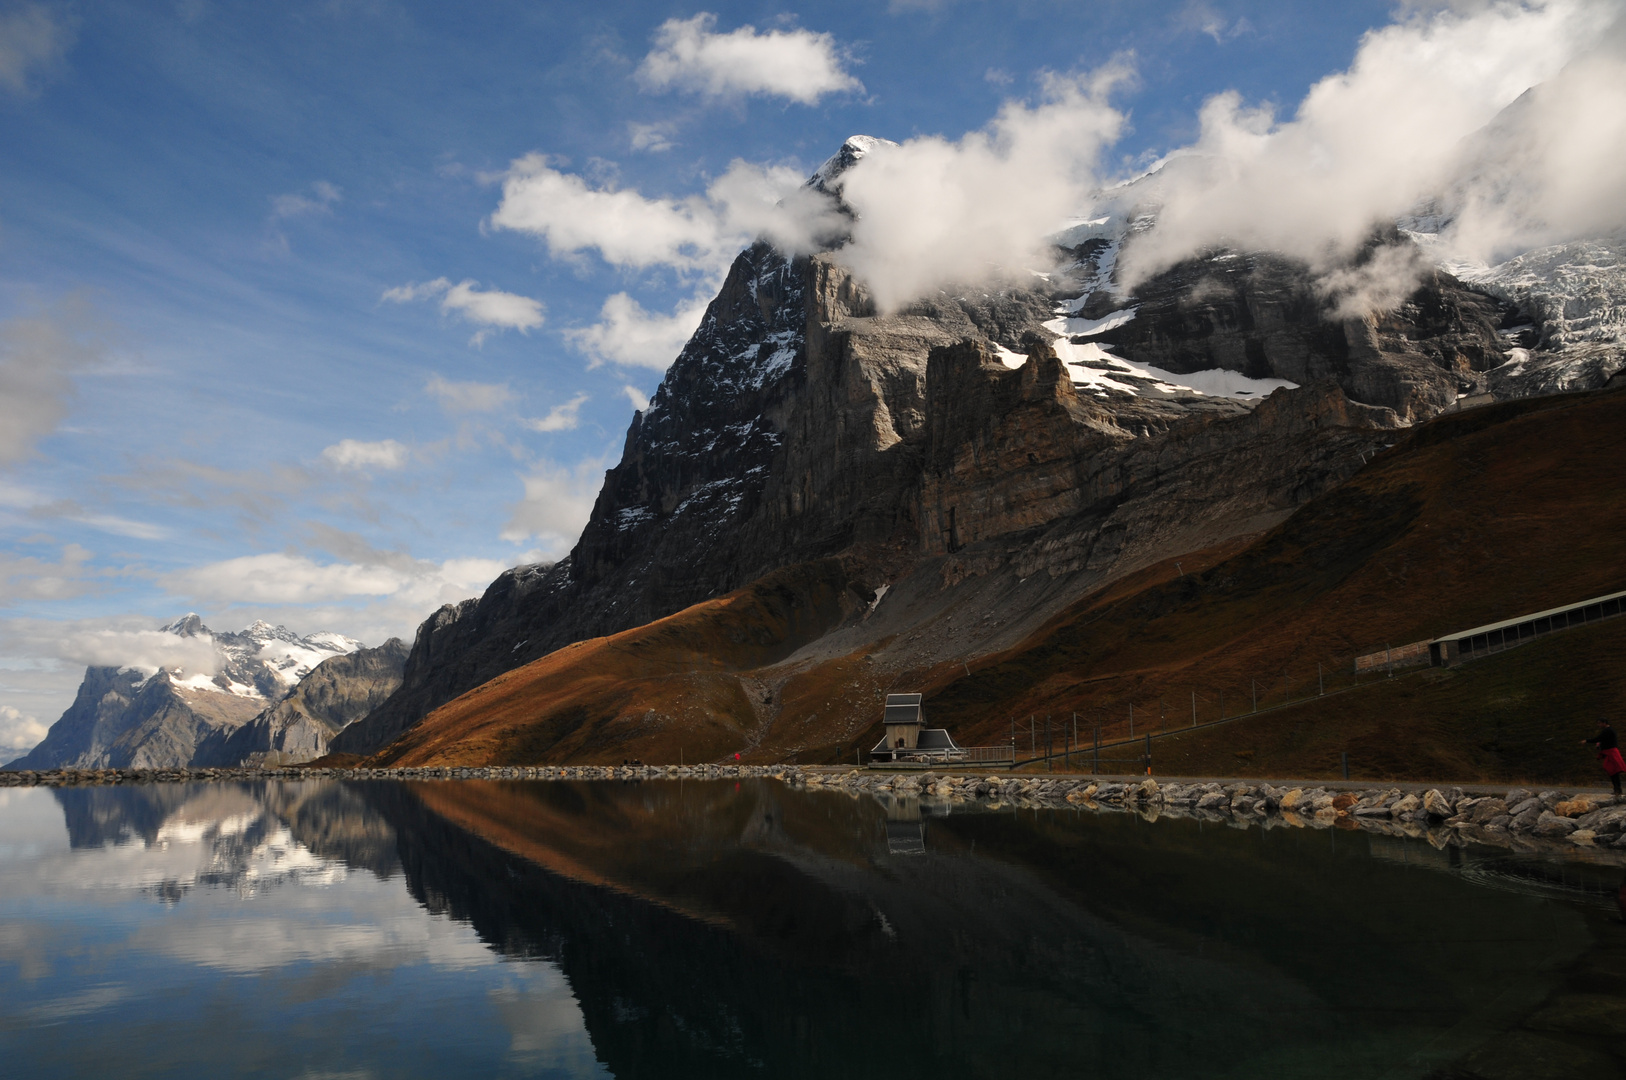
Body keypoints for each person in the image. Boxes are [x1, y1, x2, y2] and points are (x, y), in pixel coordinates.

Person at [1582, 718, 1625, 796]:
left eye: (1599, 723)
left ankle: (1617, 790)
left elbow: (1598, 738)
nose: (1598, 725)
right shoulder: (1609, 730)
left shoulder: (1607, 731)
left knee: (1613, 771)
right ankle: (1617, 790)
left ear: (1604, 723)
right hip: (1611, 752)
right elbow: (1605, 740)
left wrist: (1587, 740)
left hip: (1611, 753)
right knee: (1613, 771)